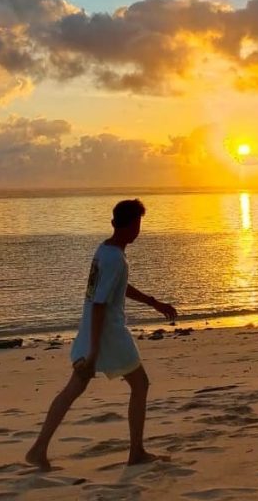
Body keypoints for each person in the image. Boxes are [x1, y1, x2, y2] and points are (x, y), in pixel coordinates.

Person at [25, 198, 177, 470]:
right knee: (140, 384)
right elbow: (99, 305)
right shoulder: (114, 258)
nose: (139, 230)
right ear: (131, 226)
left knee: (74, 388)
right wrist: (94, 352)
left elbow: (118, 287)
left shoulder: (106, 251)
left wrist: (153, 302)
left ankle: (38, 449)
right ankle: (137, 453)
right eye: (138, 224)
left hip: (93, 332)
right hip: (108, 334)